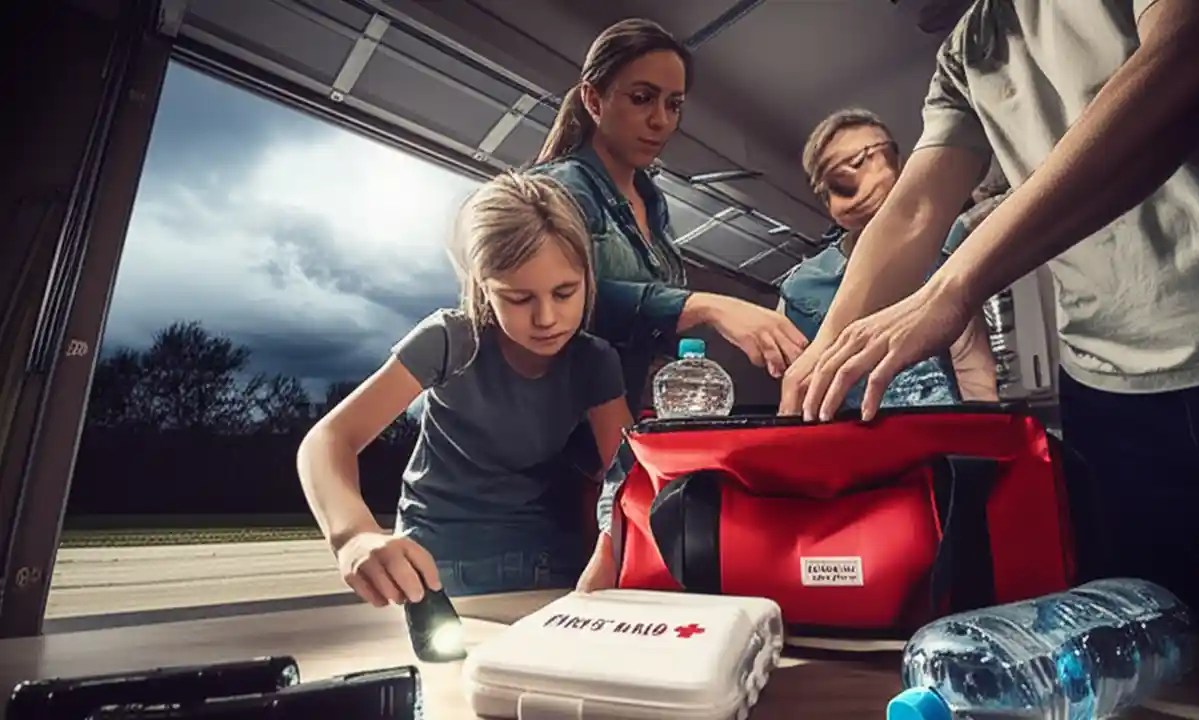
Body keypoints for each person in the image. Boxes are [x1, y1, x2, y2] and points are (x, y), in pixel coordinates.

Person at [780, 0, 1199, 635]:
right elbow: (912, 213)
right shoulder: (966, 52)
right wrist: (828, 352)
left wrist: (952, 288)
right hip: (1110, 393)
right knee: (1171, 654)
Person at [529, 18, 808, 591]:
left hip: (630, 438)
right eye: (642, 99)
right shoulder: (556, 190)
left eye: (674, 105)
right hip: (564, 448)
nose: (661, 120)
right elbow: (560, 308)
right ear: (593, 98)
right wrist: (706, 306)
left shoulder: (653, 204)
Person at [296, 172, 632, 609]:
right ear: (481, 287)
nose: (547, 317)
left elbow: (626, 472)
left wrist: (609, 550)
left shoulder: (595, 361)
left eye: (565, 292)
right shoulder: (450, 340)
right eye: (518, 298)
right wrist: (353, 535)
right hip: (435, 562)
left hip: (553, 561)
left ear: (588, 277)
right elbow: (329, 439)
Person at [778, 108, 997, 410]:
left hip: (942, 432)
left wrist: (986, 434)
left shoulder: (944, 252)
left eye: (872, 159)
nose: (870, 181)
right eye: (844, 175)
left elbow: (971, 361)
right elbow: (797, 387)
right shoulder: (802, 287)